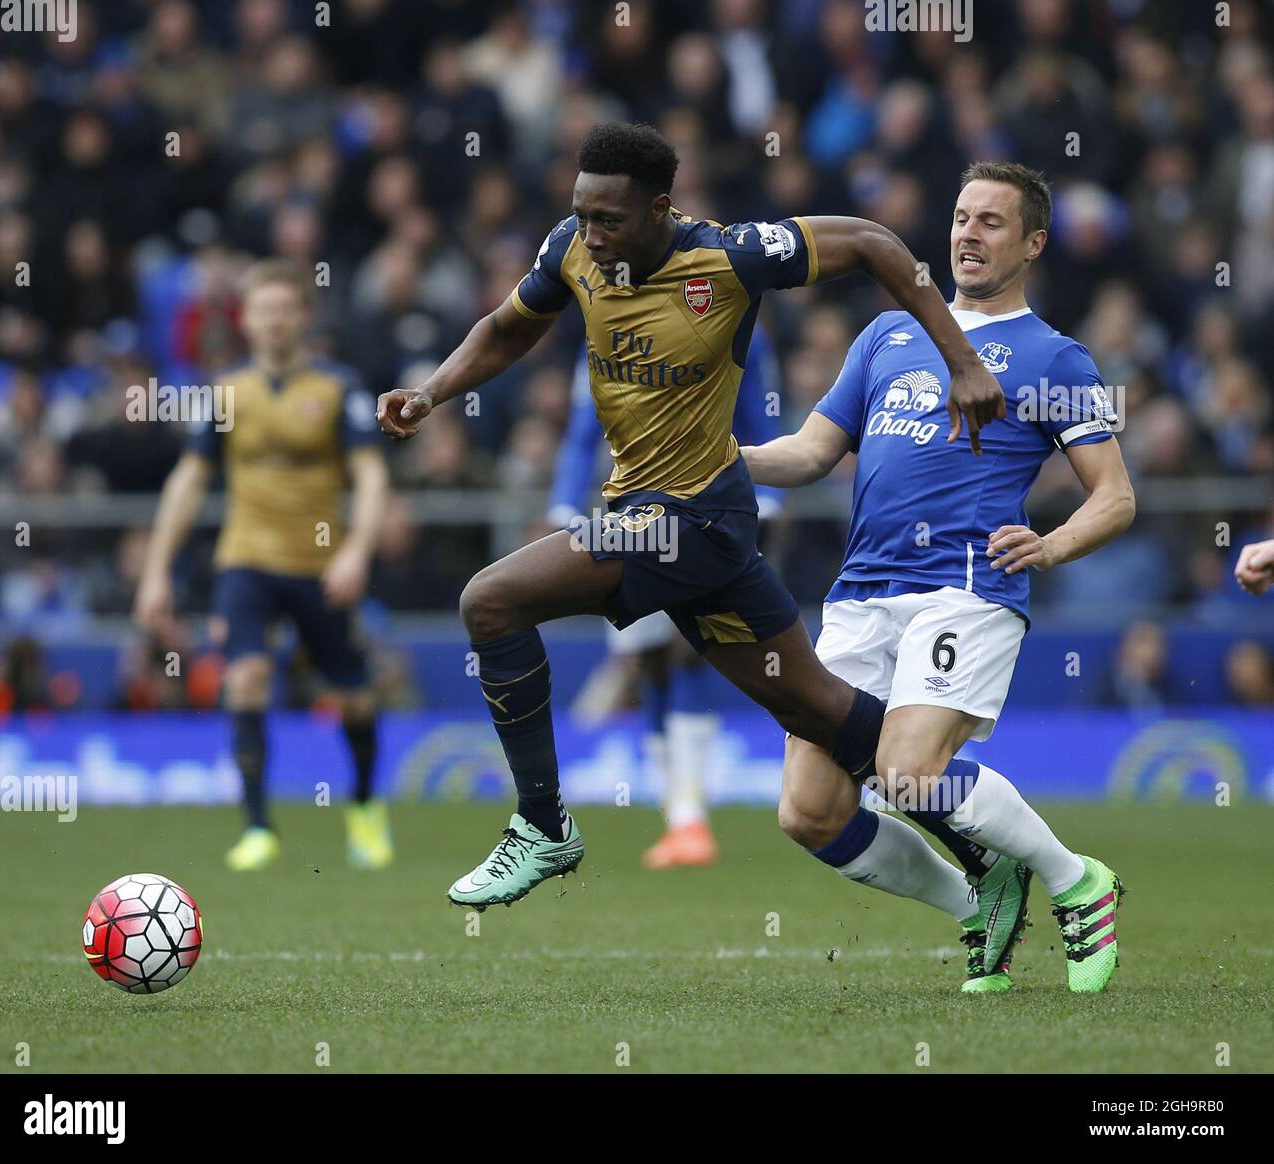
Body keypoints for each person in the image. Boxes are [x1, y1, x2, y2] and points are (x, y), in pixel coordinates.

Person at [376, 122, 1006, 935]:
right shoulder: (571, 249)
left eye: (610, 219)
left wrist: (960, 358)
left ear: (660, 209)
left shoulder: (733, 257)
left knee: (490, 603)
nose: (593, 236)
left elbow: (874, 242)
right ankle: (998, 859)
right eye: (583, 213)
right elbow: (509, 327)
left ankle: (542, 825)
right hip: (658, 519)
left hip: (694, 517)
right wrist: (431, 392)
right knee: (823, 715)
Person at [742, 162, 1137, 993]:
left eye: (992, 222)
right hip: (861, 593)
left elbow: (1116, 496)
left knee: (911, 770)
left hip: (966, 585)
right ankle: (977, 896)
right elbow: (811, 453)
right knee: (808, 810)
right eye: (961, 217)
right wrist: (716, 463)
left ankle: (1076, 882)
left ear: (1032, 243)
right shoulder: (888, 335)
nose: (968, 234)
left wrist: (1053, 546)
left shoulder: (1054, 358)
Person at [136, 259, 392, 871]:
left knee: (354, 696)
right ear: (246, 321)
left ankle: (362, 807)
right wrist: (154, 571)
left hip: (321, 565)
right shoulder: (225, 395)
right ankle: (257, 826)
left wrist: (357, 549)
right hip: (246, 559)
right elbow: (189, 480)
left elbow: (371, 473)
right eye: (263, 310)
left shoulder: (338, 389)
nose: (275, 322)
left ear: (303, 317)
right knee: (245, 678)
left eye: (286, 309)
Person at [547, 329, 786, 869]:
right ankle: (677, 814)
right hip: (626, 513)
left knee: (692, 649)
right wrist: (563, 503)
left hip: (706, 510)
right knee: (648, 659)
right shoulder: (603, 328)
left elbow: (757, 414)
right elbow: (585, 430)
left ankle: (690, 813)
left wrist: (769, 500)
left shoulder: (730, 312)